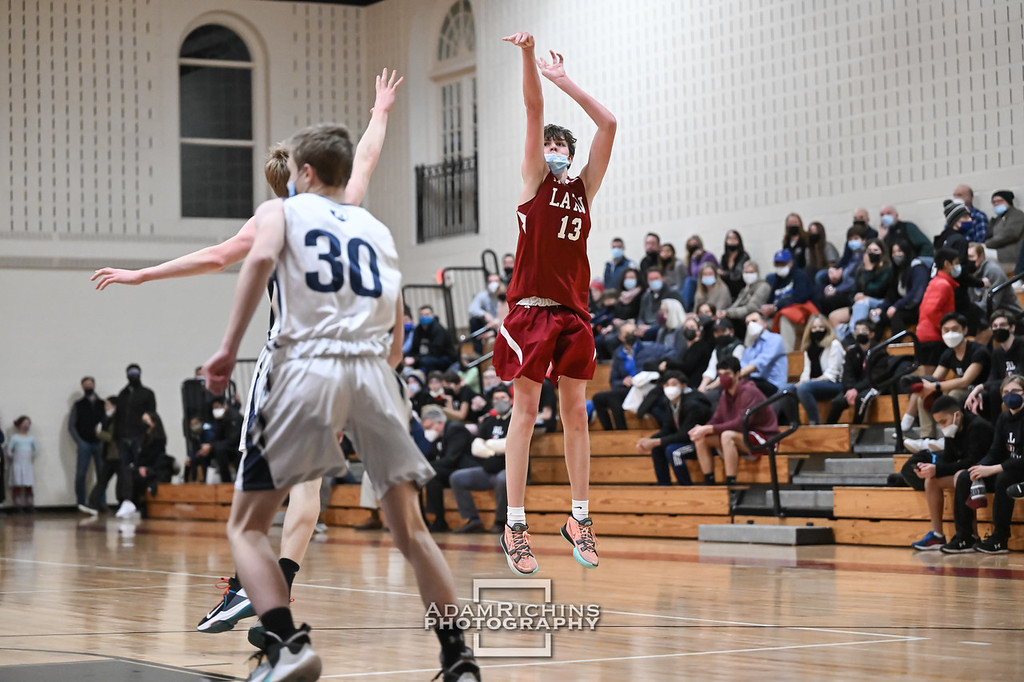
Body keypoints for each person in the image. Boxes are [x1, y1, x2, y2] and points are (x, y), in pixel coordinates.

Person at [201, 122, 479, 681]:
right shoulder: (376, 228)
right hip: (374, 373)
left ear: (303, 173)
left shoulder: (282, 210)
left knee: (246, 527)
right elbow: (399, 331)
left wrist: (229, 348)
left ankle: (286, 644)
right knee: (413, 532)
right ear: (344, 172)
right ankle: (459, 662)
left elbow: (254, 263)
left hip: (307, 368)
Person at [494, 32, 616, 575]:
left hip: (572, 313)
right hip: (529, 309)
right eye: (549, 148)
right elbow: (533, 106)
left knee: (576, 416)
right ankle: (515, 525)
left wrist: (568, 81)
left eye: (563, 148)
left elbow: (608, 124)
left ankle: (579, 519)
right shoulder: (532, 183)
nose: (556, 154)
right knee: (525, 412)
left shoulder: (584, 189)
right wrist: (529, 58)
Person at [940, 374, 1024, 554]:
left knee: (1004, 478)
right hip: (1007, 467)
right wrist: (979, 468)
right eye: (1006, 391)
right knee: (965, 476)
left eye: (1016, 391)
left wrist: (994, 468)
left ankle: (1000, 538)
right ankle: (965, 537)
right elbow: (995, 452)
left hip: (1018, 472)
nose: (1010, 395)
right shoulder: (1003, 418)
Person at [900, 396, 992, 550]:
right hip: (970, 475)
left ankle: (970, 535)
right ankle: (937, 535)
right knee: (932, 480)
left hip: (988, 474)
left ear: (957, 415)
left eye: (943, 422)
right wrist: (930, 468)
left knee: (960, 476)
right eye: (939, 423)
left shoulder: (978, 427)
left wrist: (938, 469)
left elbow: (972, 461)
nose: (942, 427)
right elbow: (949, 460)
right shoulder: (952, 429)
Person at [689, 357, 780, 485]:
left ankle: (731, 484)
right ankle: (709, 482)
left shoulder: (749, 391)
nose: (723, 378)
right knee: (701, 438)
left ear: (737, 374)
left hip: (764, 438)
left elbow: (741, 423)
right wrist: (702, 429)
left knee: (727, 435)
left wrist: (709, 429)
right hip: (743, 437)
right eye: (720, 375)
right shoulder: (725, 394)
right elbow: (717, 418)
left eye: (727, 374)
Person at [904, 313, 990, 445]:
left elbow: (965, 381)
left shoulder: (978, 351)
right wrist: (925, 386)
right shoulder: (948, 353)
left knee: (952, 396)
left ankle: (949, 438)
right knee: (925, 397)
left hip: (979, 391)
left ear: (965, 330)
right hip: (960, 389)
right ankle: (927, 438)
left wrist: (935, 386)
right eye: (946, 330)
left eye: (954, 329)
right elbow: (934, 379)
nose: (950, 333)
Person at [449, 387, 513, 533]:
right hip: (487, 471)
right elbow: (476, 447)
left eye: (502, 398)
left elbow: (512, 445)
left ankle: (500, 521)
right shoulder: (489, 421)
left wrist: (488, 446)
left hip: (508, 471)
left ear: (510, 399)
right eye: (496, 399)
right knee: (457, 478)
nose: (499, 401)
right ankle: (473, 520)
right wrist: (496, 447)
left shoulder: (515, 419)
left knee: (503, 480)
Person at [636, 371, 712, 485]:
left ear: (683, 386)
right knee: (657, 448)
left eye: (673, 384)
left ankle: (685, 487)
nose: (669, 388)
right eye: (666, 385)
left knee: (674, 451)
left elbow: (686, 435)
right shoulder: (670, 403)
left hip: (701, 442)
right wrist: (650, 441)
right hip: (686, 440)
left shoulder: (694, 404)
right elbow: (667, 429)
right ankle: (664, 486)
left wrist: (655, 441)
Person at [420, 405, 478, 533]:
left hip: (464, 468)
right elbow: (430, 457)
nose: (427, 431)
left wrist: (426, 467)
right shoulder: (438, 436)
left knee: (431, 474)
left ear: (440, 423)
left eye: (429, 428)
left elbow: (452, 459)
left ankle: (439, 520)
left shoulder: (455, 429)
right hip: (450, 469)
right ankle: (426, 519)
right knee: (424, 476)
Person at [112, 364, 157, 518]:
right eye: (131, 373)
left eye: (135, 373)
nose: (133, 375)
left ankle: (139, 502)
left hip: (139, 437)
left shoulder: (147, 394)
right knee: (125, 471)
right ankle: (127, 501)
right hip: (124, 438)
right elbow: (117, 418)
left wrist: (146, 434)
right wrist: (116, 438)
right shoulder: (122, 394)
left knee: (140, 469)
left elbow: (152, 416)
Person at [784, 315, 845, 425]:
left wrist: (811, 381)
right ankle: (794, 424)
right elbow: (806, 371)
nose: (817, 330)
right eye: (814, 328)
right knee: (786, 390)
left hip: (834, 383)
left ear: (827, 328)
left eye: (821, 327)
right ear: (809, 330)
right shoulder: (809, 347)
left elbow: (833, 373)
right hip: (814, 384)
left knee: (804, 388)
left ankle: (815, 423)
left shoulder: (834, 344)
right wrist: (803, 380)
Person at [966, 310, 1024, 422]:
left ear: (1012, 328)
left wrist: (981, 386)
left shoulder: (1022, 345)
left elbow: (1019, 376)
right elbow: (992, 377)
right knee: (975, 399)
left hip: (1020, 388)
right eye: (995, 326)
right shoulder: (997, 352)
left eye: (1002, 325)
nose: (998, 329)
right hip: (1004, 388)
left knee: (993, 390)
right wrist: (981, 393)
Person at [762, 249, 817, 351]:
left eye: (783, 264)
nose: (780, 267)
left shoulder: (800, 276)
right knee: (757, 324)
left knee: (785, 318)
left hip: (799, 315)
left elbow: (799, 298)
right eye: (777, 264)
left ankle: (788, 358)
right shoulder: (776, 280)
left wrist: (775, 307)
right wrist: (767, 309)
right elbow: (770, 300)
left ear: (790, 263)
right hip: (776, 316)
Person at [826, 320, 879, 424]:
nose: (860, 333)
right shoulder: (851, 352)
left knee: (861, 399)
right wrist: (850, 388)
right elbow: (847, 374)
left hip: (873, 386)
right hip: (854, 387)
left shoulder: (879, 351)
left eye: (864, 330)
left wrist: (856, 389)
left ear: (872, 334)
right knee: (838, 401)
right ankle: (828, 430)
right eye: (857, 331)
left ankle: (857, 430)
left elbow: (876, 376)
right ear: (854, 335)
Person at [69, 375, 107, 513]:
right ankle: (80, 502)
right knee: (81, 474)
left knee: (102, 474)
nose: (88, 386)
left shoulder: (102, 404)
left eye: (90, 384)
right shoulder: (78, 405)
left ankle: (101, 502)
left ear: (94, 385)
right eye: (85, 384)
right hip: (84, 443)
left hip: (100, 443)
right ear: (82, 387)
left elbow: (107, 422)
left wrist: (105, 438)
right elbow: (71, 426)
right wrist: (79, 441)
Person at [880, 239, 929, 335]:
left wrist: (896, 306)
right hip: (904, 306)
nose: (896, 255)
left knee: (897, 316)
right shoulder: (898, 270)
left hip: (918, 308)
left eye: (899, 251)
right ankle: (872, 347)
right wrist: (881, 308)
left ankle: (898, 345)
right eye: (893, 252)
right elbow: (891, 295)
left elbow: (916, 294)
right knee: (880, 316)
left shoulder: (917, 267)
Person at [739, 310, 788, 398]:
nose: (750, 325)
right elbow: (743, 365)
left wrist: (736, 375)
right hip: (754, 381)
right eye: (747, 323)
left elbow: (760, 362)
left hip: (772, 385)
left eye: (754, 321)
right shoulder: (750, 345)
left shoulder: (775, 339)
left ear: (764, 323)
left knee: (742, 387)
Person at [968, 242, 1023, 319]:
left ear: (982, 257)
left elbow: (989, 305)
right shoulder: (970, 272)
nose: (968, 260)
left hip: (1011, 318)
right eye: (966, 257)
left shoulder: (993, 271)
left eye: (971, 257)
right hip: (990, 317)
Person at [719, 260, 770, 335]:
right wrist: (724, 312)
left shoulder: (763, 286)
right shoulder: (746, 288)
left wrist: (728, 313)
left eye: (751, 272)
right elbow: (736, 304)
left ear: (757, 273)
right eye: (746, 272)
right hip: (740, 316)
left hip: (755, 316)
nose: (748, 275)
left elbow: (751, 308)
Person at [406, 304, 457, 373]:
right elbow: (415, 349)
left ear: (432, 315)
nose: (424, 317)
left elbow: (435, 352)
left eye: (427, 314)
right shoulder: (418, 330)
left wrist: (416, 359)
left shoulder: (439, 330)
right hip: (425, 356)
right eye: (421, 315)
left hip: (444, 358)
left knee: (424, 361)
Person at [636, 266, 681, 340]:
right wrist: (640, 325)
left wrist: (650, 328)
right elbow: (640, 316)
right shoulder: (645, 296)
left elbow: (673, 317)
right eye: (651, 279)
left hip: (662, 327)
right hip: (645, 327)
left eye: (656, 278)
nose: (653, 281)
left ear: (663, 279)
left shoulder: (672, 294)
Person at [984, 190, 1024, 271]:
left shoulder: (1017, 215)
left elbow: (1010, 234)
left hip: (1010, 254)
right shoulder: (999, 218)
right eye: (994, 202)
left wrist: (986, 245)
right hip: (998, 251)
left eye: (999, 201)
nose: (996, 204)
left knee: (978, 253)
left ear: (1008, 201)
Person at [468, 273, 506, 354]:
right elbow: (472, 309)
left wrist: (494, 328)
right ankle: (478, 353)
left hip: (501, 324)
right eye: (491, 281)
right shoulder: (482, 296)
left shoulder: (504, 296)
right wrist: (485, 314)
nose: (493, 284)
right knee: (473, 320)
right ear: (487, 284)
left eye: (496, 281)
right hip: (489, 324)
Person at [680, 236, 718, 312]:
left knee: (689, 281)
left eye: (694, 244)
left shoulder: (707, 255)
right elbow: (690, 274)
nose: (692, 247)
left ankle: (684, 309)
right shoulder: (688, 258)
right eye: (690, 246)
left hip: (708, 280)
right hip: (697, 284)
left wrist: (694, 260)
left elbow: (697, 273)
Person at [8, 416, 38, 512]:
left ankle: (29, 503)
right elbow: (9, 450)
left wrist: (30, 457)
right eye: (24, 423)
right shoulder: (15, 438)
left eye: (28, 423)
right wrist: (14, 457)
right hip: (17, 464)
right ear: (19, 424)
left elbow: (36, 450)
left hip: (27, 464)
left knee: (28, 483)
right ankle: (17, 504)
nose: (26, 425)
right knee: (17, 482)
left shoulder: (31, 438)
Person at [718, 230, 751, 299]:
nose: (732, 241)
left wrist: (724, 274)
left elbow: (737, 275)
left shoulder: (744, 256)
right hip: (725, 288)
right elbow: (720, 274)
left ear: (739, 241)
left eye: (735, 238)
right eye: (729, 238)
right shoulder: (724, 257)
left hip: (739, 287)